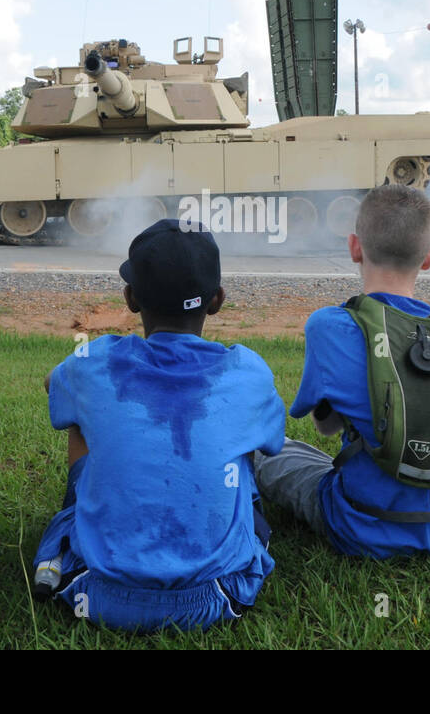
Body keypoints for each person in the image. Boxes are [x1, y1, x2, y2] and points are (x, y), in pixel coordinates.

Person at [32, 219, 285, 631]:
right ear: (217, 299)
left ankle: (75, 518)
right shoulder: (247, 371)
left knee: (79, 420)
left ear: (131, 298)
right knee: (242, 443)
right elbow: (272, 445)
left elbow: (50, 385)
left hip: (95, 592)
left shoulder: (96, 361)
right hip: (219, 594)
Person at [254, 184, 430, 560]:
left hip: (364, 525)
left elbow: (328, 426)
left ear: (354, 246)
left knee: (266, 453)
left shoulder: (329, 325)